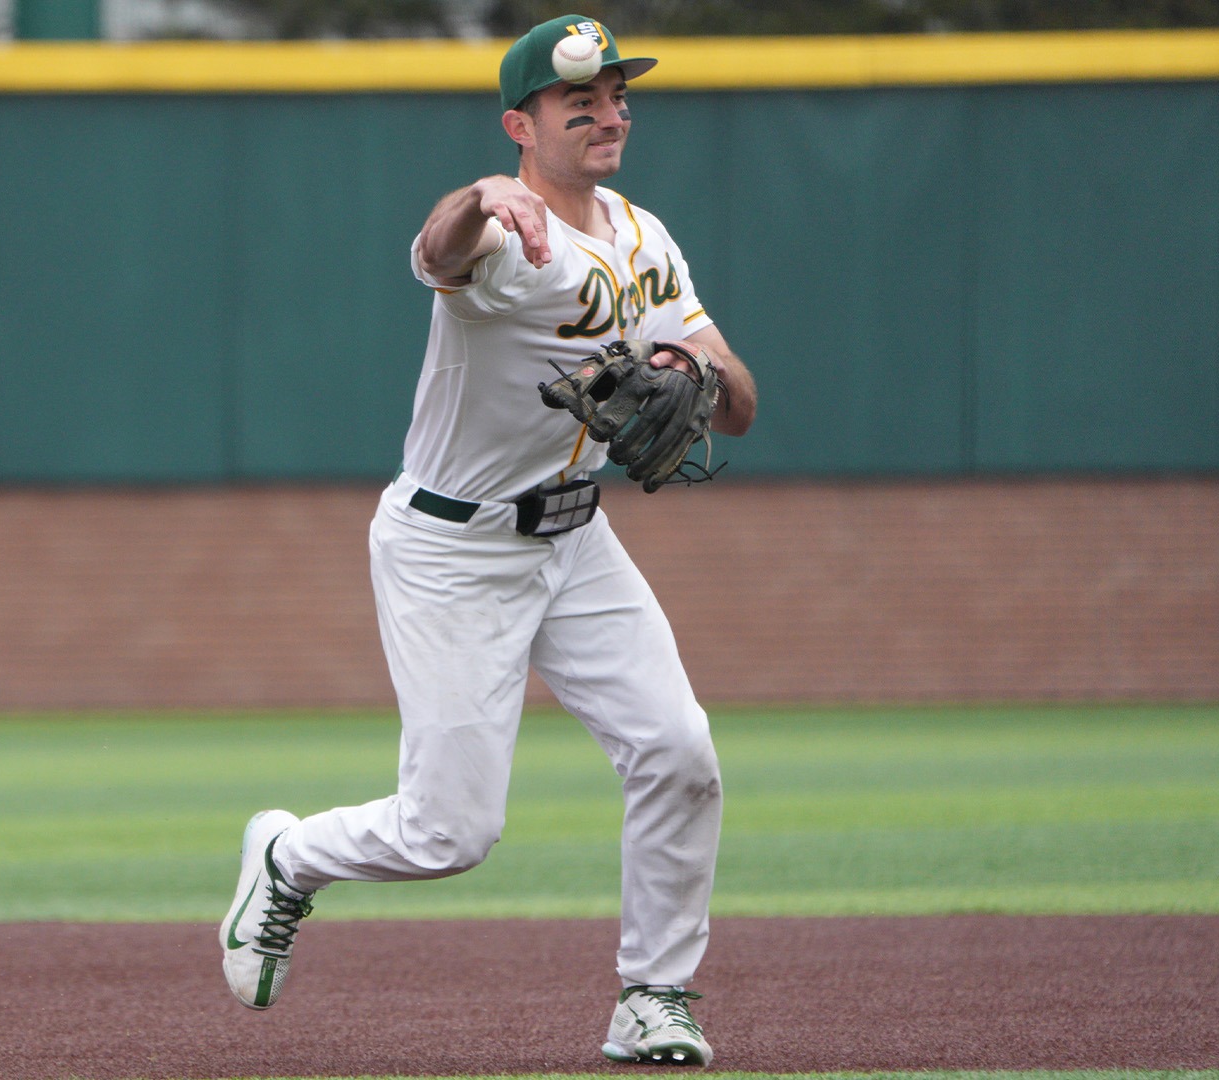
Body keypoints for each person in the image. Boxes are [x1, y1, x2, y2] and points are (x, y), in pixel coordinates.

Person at [220, 14, 758, 1067]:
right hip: (454, 550)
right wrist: (480, 197)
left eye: (616, 95)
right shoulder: (504, 239)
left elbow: (736, 402)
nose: (609, 113)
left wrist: (699, 375)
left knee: (680, 752)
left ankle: (655, 995)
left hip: (576, 539)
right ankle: (289, 854)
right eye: (579, 101)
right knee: (448, 835)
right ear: (520, 123)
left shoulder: (646, 240)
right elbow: (437, 251)